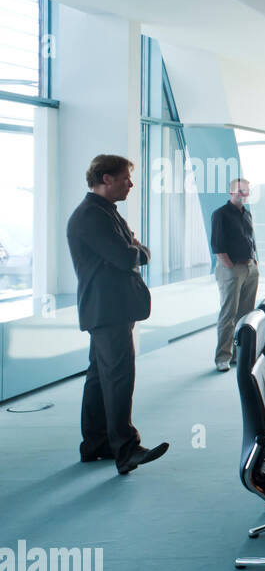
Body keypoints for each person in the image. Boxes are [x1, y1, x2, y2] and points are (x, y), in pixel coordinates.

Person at [67, 154, 169, 475]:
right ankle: (126, 449)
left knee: (100, 376)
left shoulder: (104, 213)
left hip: (109, 308)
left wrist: (135, 250)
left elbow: (128, 253)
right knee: (118, 376)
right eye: (125, 178)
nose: (131, 184)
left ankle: (96, 444)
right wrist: (139, 250)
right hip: (106, 309)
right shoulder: (91, 217)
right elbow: (127, 257)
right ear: (106, 179)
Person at [211, 177, 259, 373]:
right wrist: (230, 267)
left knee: (246, 315)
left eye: (246, 191)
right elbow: (217, 245)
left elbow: (250, 240)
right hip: (231, 269)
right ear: (231, 192)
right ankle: (223, 357)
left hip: (250, 268)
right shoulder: (220, 214)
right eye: (240, 191)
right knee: (228, 314)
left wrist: (255, 262)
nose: (243, 194)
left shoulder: (247, 214)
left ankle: (239, 355)